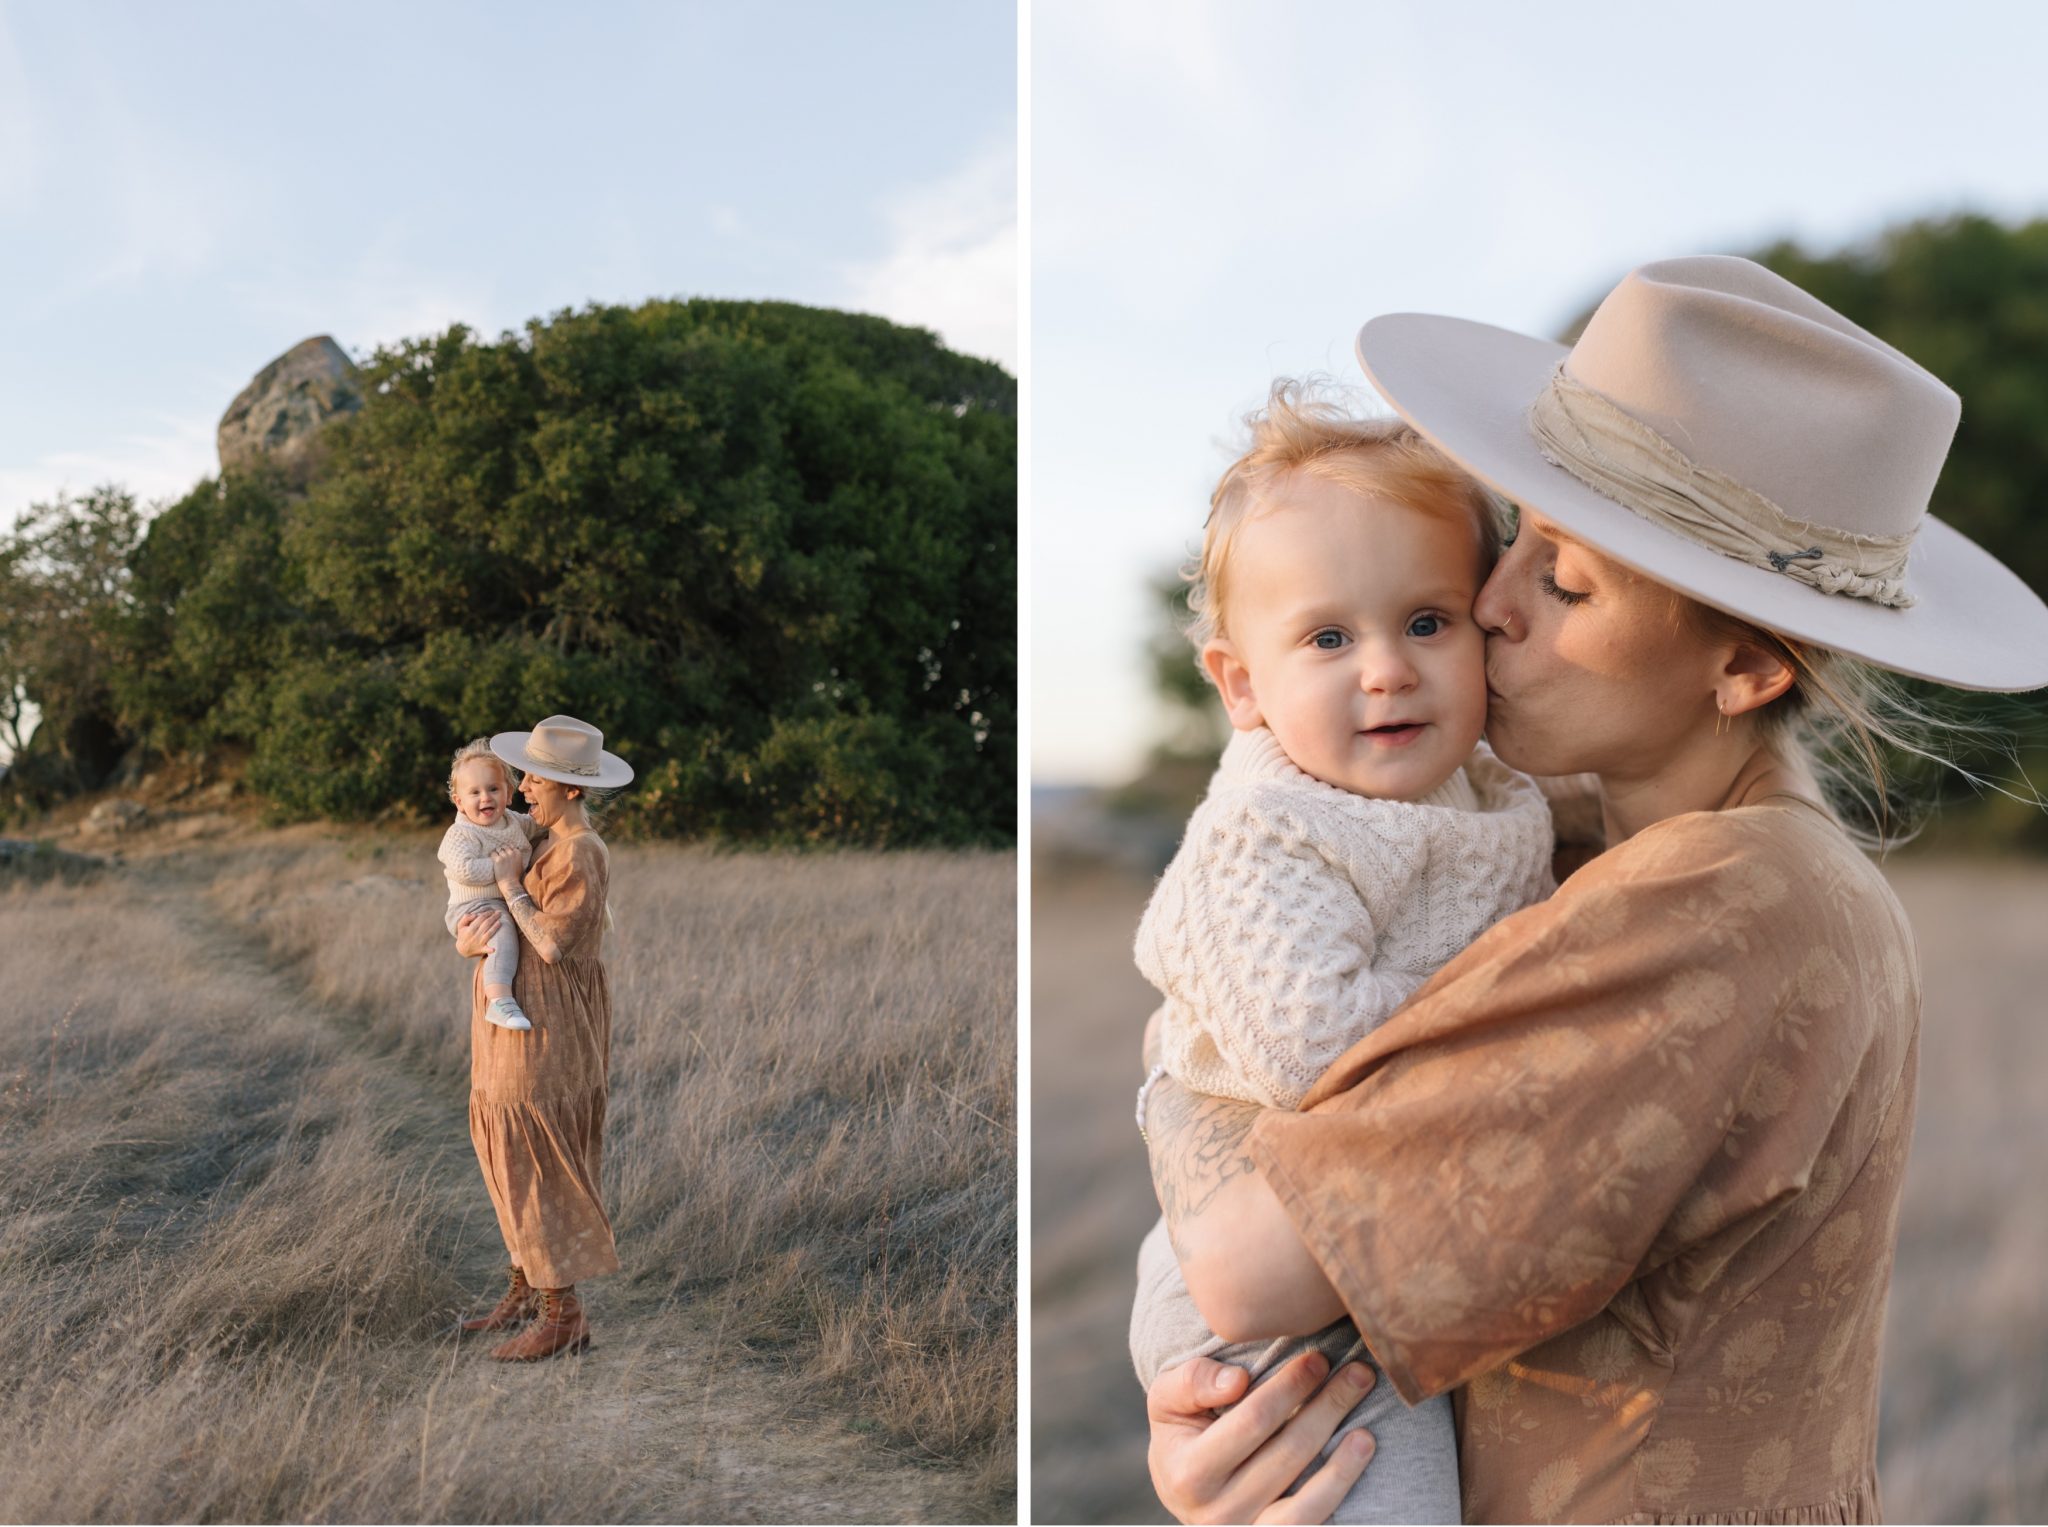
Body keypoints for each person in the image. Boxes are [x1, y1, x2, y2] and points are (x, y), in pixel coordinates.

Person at [1139, 256, 2048, 1523]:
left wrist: (1170, 1093)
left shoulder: (1726, 901)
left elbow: (1246, 1268)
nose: (1489, 604)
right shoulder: (1571, 845)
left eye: (1566, 581)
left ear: (1741, 669)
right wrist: (1242, 1444)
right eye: (1513, 534)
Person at [1128, 384, 1554, 1523]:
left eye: (1426, 621)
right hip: (1268, 1310)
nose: (1385, 670)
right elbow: (1310, 1048)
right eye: (1327, 637)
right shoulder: (1267, 829)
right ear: (1240, 685)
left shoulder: (1491, 791)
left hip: (1363, 1240)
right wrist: (1527, 995)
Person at [451, 714, 636, 1363]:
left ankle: (564, 1313)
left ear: (574, 789)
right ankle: (527, 1288)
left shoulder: (582, 850)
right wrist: (468, 931)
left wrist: (507, 888)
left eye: (538, 776)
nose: (525, 784)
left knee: (535, 1151)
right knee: (503, 1142)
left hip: (551, 1022)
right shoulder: (540, 835)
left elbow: (553, 942)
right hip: (518, 1014)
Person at [438, 739, 546, 1032]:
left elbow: (540, 825)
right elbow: (462, 869)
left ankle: (503, 997)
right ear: (459, 801)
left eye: (493, 789)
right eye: (474, 792)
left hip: (499, 899)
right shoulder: (461, 834)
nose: (485, 797)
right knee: (500, 932)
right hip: (472, 906)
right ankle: (499, 1000)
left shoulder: (513, 822)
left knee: (507, 929)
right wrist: (501, 871)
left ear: (509, 794)